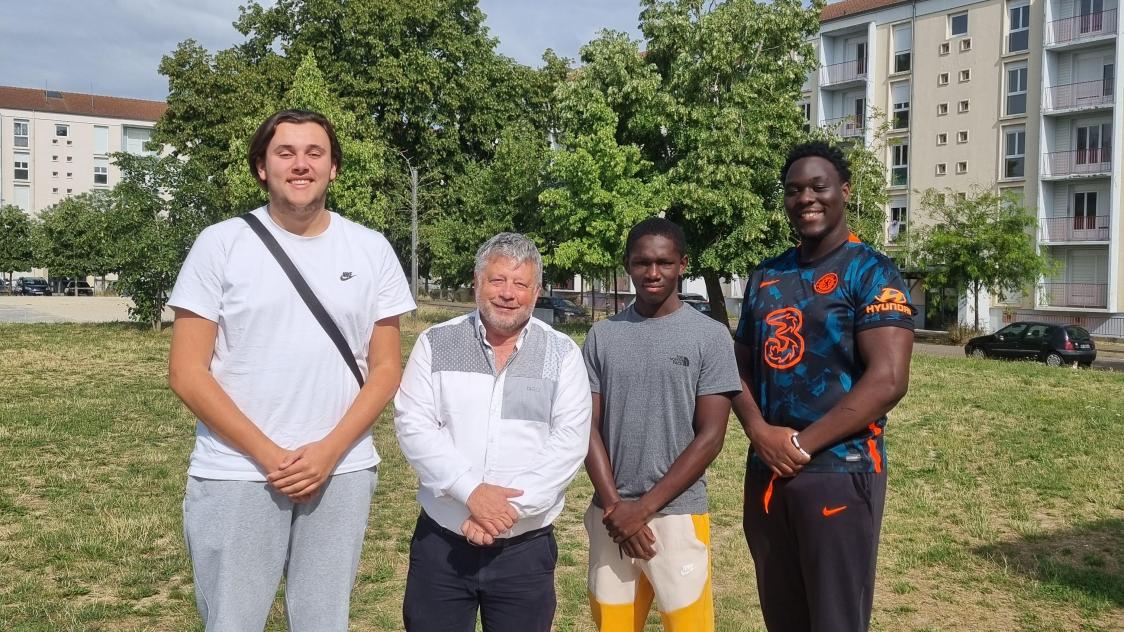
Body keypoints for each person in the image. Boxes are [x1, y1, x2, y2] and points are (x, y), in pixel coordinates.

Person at [167, 109, 415, 631]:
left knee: (324, 622)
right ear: (262, 167)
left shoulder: (370, 250)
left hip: (340, 470)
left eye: (314, 153)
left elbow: (386, 368)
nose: (300, 165)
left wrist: (326, 453)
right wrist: (271, 455)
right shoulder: (220, 244)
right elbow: (187, 371)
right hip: (238, 471)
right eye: (285, 153)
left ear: (334, 168)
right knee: (232, 622)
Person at [733, 141, 914, 632]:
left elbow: (888, 380)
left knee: (835, 618)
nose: (805, 198)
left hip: (840, 468)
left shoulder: (872, 271)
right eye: (794, 190)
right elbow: (739, 366)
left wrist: (800, 443)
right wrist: (759, 432)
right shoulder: (767, 274)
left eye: (818, 186)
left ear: (845, 192)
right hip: (768, 471)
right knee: (782, 614)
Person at [393, 232, 592, 632]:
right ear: (477, 281)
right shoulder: (436, 342)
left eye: (521, 284)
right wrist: (471, 493)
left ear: (536, 292)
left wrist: (504, 513)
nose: (508, 293)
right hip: (443, 544)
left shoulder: (562, 353)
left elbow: (569, 443)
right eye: (497, 280)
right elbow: (413, 424)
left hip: (524, 550)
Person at [582, 217, 741, 632]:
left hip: (677, 516)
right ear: (627, 265)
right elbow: (586, 427)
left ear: (683, 264)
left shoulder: (710, 337)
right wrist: (618, 508)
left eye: (664, 263)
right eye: (641, 263)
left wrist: (645, 509)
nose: (653, 273)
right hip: (611, 517)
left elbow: (711, 437)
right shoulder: (602, 337)